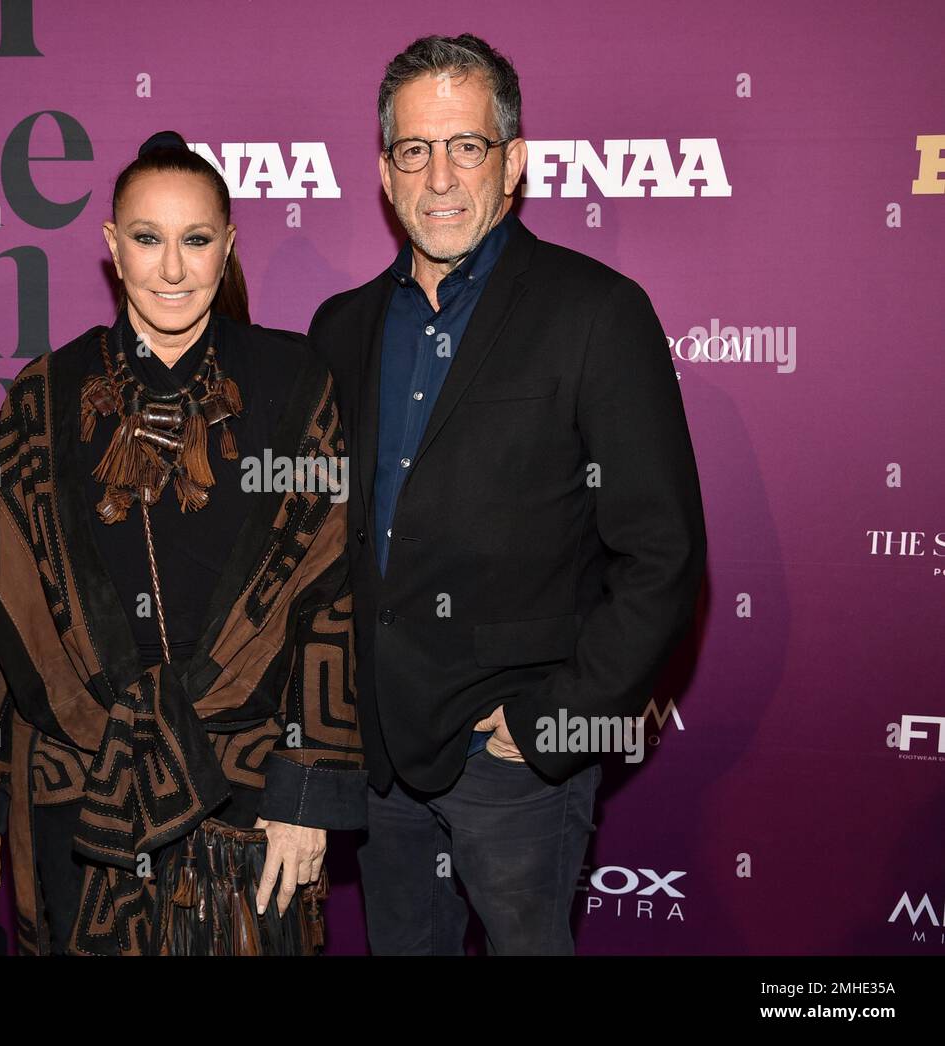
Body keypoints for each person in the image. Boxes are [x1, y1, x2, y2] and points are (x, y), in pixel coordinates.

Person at [0, 130, 367, 955]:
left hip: (244, 784)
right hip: (75, 780)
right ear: (110, 246)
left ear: (228, 246)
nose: (172, 268)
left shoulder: (290, 382)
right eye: (148, 239)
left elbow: (330, 594)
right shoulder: (44, 395)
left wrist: (307, 791)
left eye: (196, 241)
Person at [308, 34, 707, 954]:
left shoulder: (597, 312)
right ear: (384, 171)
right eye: (415, 149)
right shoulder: (342, 328)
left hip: (513, 766)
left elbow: (664, 555)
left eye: (467, 146)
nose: (439, 176)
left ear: (514, 161)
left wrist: (544, 729)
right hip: (374, 759)